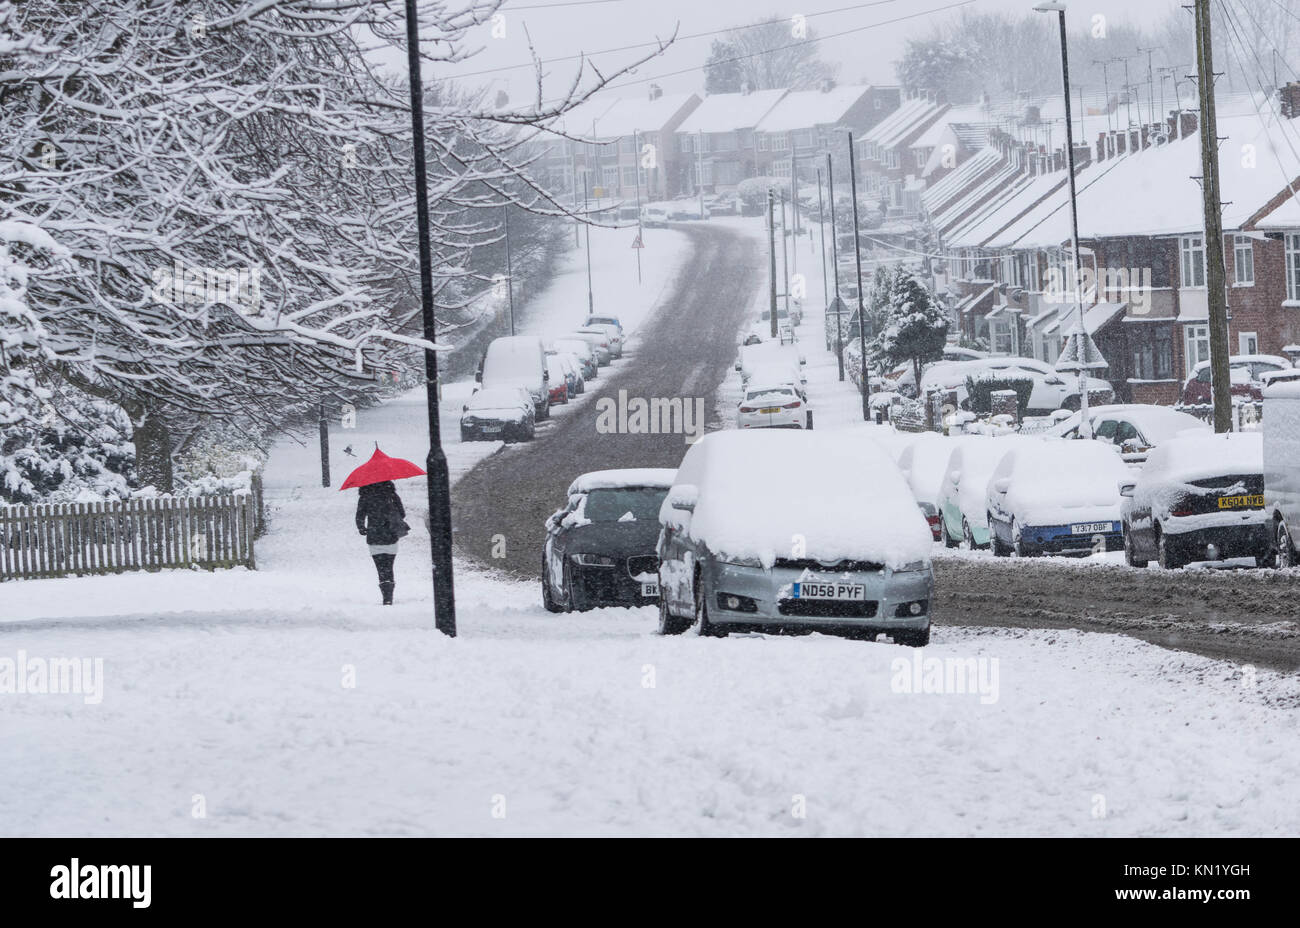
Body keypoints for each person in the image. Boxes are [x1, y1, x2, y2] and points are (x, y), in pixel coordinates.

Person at [355, 481, 408, 604]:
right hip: (390, 535)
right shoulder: (391, 494)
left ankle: (386, 595)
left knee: (381, 567)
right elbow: (402, 514)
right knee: (389, 566)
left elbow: (360, 515)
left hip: (374, 536)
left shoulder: (365, 496)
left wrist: (361, 528)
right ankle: (389, 595)